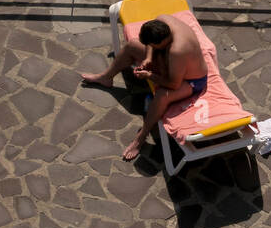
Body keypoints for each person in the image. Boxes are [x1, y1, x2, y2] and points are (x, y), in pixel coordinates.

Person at [81, 14, 208, 162]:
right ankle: (105, 77)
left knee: (162, 95)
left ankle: (141, 137)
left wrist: (149, 75)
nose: (151, 48)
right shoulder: (162, 21)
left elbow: (173, 84)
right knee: (132, 46)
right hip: (171, 61)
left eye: (153, 46)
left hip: (192, 80)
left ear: (161, 42)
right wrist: (148, 58)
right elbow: (150, 44)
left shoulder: (177, 50)